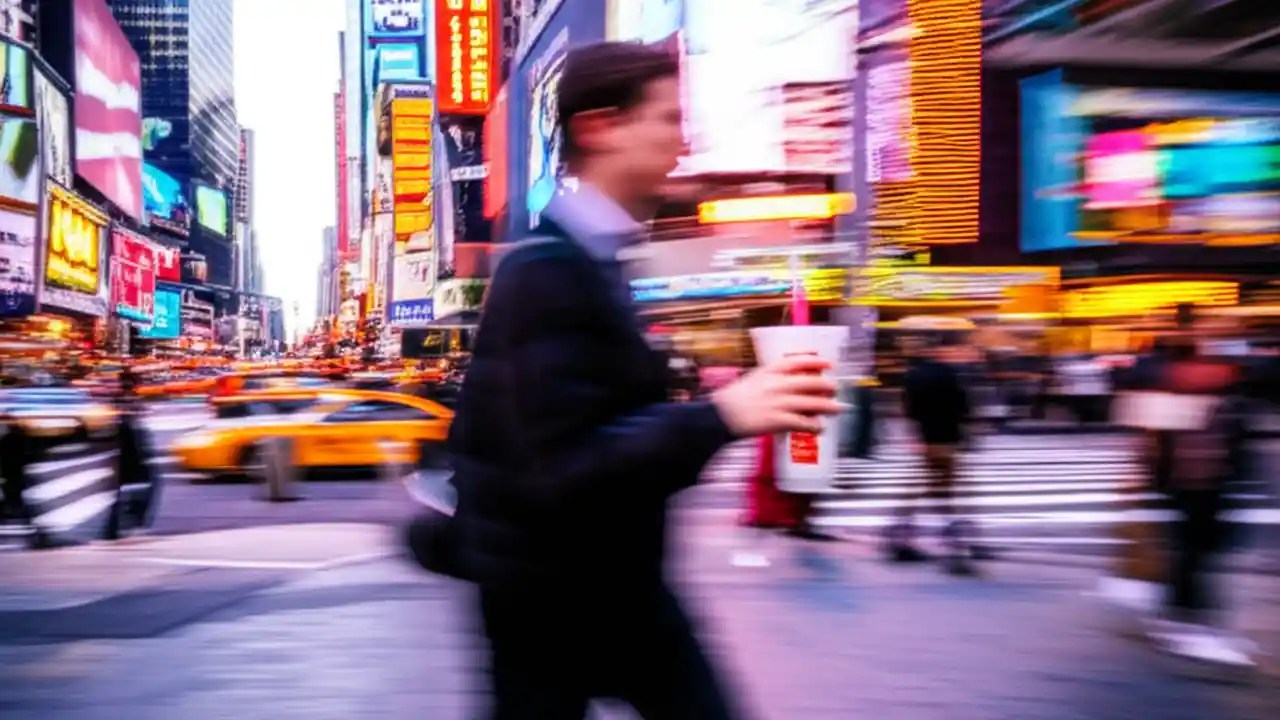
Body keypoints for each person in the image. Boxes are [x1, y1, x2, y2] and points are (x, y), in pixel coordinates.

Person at [446, 42, 842, 719]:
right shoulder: (543, 272)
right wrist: (725, 414)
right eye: (666, 118)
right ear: (599, 127)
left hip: (614, 593)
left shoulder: (597, 263)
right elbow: (566, 464)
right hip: (550, 605)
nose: (682, 142)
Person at [892, 336, 976, 574]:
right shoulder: (949, 373)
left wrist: (915, 431)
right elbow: (964, 404)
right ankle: (954, 548)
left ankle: (900, 537)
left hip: (925, 439)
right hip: (949, 440)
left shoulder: (912, 376)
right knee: (945, 492)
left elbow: (908, 409)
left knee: (914, 490)